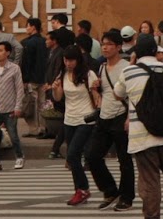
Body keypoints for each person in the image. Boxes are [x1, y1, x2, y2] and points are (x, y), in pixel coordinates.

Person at [113, 36, 163, 219]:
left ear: (136, 53)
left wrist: (132, 64)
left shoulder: (129, 72)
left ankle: (152, 215)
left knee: (150, 182)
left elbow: (118, 95)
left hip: (142, 138)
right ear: (155, 51)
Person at [86, 29, 135, 210]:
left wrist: (130, 118)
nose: (105, 48)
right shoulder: (101, 67)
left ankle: (126, 198)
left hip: (121, 116)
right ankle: (110, 190)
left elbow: (133, 95)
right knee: (92, 156)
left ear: (119, 47)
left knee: (125, 161)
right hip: (104, 117)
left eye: (109, 44)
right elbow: (102, 94)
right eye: (103, 44)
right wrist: (95, 88)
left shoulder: (127, 68)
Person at [49, 45, 98, 206]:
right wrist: (55, 89)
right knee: (73, 158)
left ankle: (83, 188)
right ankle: (79, 190)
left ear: (78, 60)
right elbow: (58, 98)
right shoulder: (62, 74)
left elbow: (96, 96)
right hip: (69, 120)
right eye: (66, 60)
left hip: (86, 119)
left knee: (71, 155)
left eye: (71, 60)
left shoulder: (88, 75)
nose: (68, 63)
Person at [0, 40, 25, 171]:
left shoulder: (15, 68)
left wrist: (18, 106)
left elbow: (19, 89)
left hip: (10, 109)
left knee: (13, 136)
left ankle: (19, 157)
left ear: (7, 53)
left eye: (1, 50)